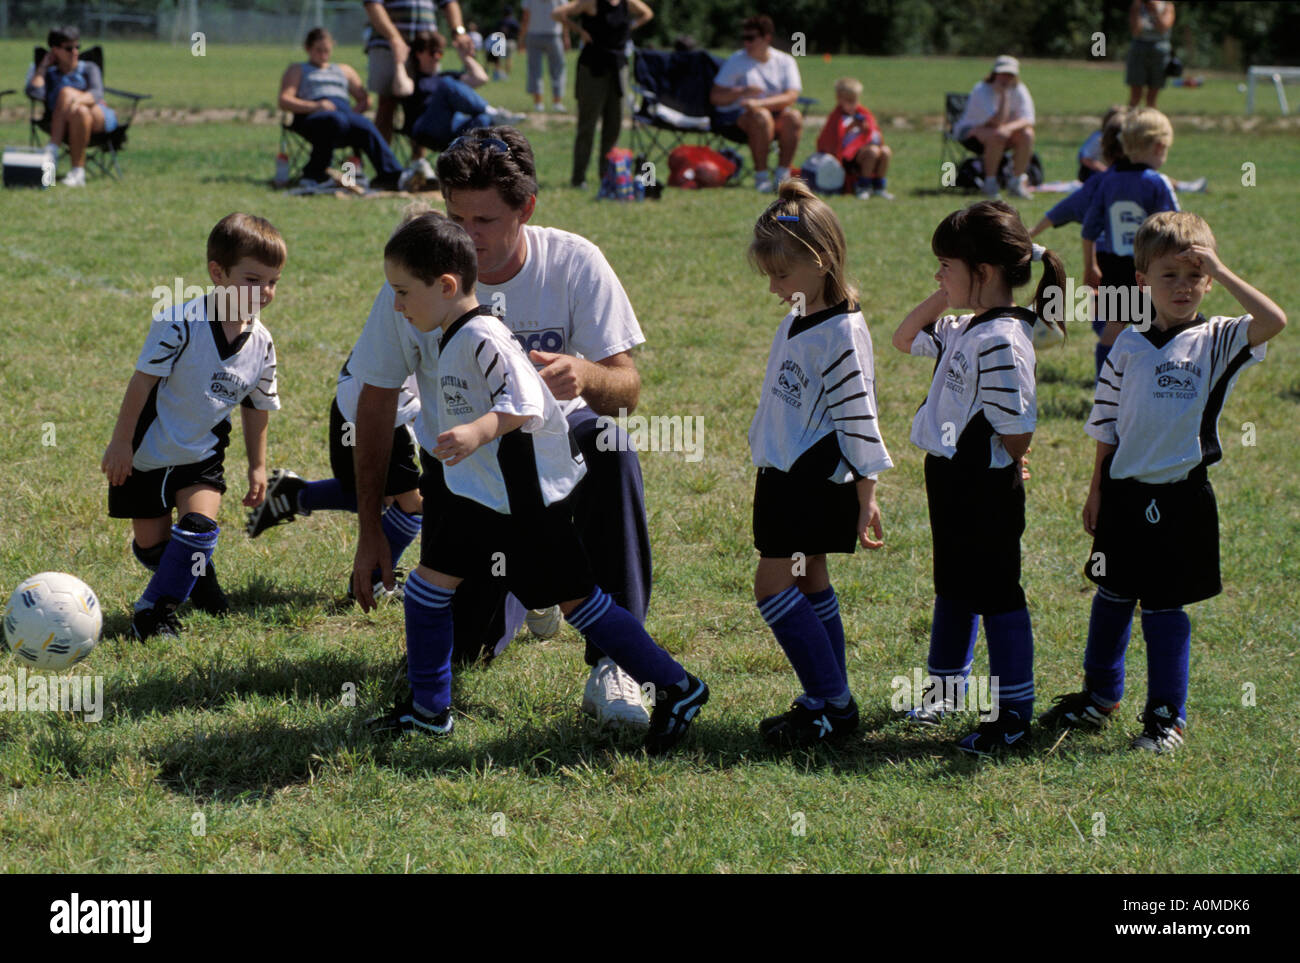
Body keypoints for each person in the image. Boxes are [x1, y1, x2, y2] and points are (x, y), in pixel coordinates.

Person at [361, 212, 709, 752]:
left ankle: (678, 686)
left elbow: (524, 402)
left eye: (404, 293)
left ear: (447, 286)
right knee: (425, 592)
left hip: (520, 504)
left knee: (582, 604)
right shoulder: (447, 333)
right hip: (470, 494)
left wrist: (477, 431)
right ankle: (429, 711)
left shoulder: (485, 335)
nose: (398, 306)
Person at [349, 127, 657, 728]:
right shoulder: (423, 274)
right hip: (469, 479)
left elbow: (628, 392)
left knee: (611, 442)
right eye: (455, 215)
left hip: (555, 464)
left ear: (527, 209)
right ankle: (534, 585)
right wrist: (371, 532)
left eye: (485, 219)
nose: (466, 235)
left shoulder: (572, 260)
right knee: (466, 650)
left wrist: (585, 373)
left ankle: (615, 664)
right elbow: (376, 399)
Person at [1041, 211, 1286, 753]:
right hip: (1123, 494)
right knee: (1110, 594)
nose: (1183, 286)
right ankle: (1100, 696)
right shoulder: (1127, 345)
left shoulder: (1218, 337)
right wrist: (1096, 489)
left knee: (1163, 606)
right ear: (1142, 279)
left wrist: (1221, 269)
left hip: (1181, 498)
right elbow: (1106, 424)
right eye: (1168, 275)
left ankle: (1165, 718)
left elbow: (1274, 320)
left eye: (1194, 274)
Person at [891, 201, 1066, 756]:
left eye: (946, 265)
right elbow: (904, 336)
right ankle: (946, 691)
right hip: (949, 478)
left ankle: (1014, 714)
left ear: (983, 272)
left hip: (984, 487)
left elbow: (1018, 433)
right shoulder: (970, 326)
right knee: (955, 583)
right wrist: (951, 291)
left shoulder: (1003, 340)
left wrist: (1012, 458)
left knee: (997, 595)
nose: (937, 276)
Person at [747, 180, 892, 746]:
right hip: (786, 474)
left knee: (772, 587)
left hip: (811, 481)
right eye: (769, 277)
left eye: (782, 275)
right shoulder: (802, 314)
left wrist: (867, 494)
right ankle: (825, 700)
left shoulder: (841, 331)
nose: (775, 288)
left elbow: (860, 416)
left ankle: (834, 705)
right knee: (810, 580)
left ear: (822, 260)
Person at [101, 214, 285, 639]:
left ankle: (153, 612)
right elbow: (142, 382)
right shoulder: (179, 322)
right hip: (148, 454)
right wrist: (120, 444)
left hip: (202, 455)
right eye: (253, 280)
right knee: (152, 546)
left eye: (273, 282)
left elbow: (257, 406)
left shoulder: (263, 343)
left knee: (199, 529)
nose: (265, 292)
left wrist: (258, 467)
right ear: (217, 273)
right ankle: (199, 578)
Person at [244, 341, 424, 603]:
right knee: (413, 503)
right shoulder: (441, 314)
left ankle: (295, 495)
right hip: (386, 408)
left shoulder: (398, 310)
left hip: (350, 401)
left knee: (378, 495)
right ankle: (375, 580)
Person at [1082, 107, 1178, 373]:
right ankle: (1152, 378)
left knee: (1113, 326)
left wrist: (1090, 265)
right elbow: (1173, 226)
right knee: (1158, 323)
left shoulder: (1108, 180)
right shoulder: (1156, 182)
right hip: (1147, 268)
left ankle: (1104, 384)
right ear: (1159, 147)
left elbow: (1089, 227)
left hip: (1112, 264)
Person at [278, 27, 406, 191]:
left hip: (344, 115)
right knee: (335, 121)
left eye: (327, 50)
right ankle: (315, 173)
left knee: (364, 124)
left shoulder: (344, 70)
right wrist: (316, 106)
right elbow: (284, 100)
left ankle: (391, 175)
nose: (323, 55)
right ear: (307, 48)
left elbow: (365, 99)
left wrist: (355, 112)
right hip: (311, 117)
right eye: (318, 50)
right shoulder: (298, 69)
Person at [554, 0, 653, 189]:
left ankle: (606, 175)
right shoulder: (590, 2)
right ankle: (579, 178)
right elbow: (558, 14)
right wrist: (580, 31)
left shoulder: (627, 3)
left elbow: (647, 13)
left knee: (614, 124)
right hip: (593, 68)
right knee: (587, 125)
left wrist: (631, 26)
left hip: (618, 67)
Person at [711, 14, 803, 194]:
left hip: (775, 116)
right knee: (761, 117)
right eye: (744, 38)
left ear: (767, 38)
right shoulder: (736, 60)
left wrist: (760, 103)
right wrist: (742, 92)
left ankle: (782, 176)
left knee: (794, 117)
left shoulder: (785, 61)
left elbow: (791, 96)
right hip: (740, 120)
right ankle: (761, 176)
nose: (746, 43)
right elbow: (715, 97)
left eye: (751, 38)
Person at [363, 0, 473, 143]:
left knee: (425, 102)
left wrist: (458, 31)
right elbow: (373, 5)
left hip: (426, 48)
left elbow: (449, 3)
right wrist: (394, 37)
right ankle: (383, 161)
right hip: (388, 46)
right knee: (386, 103)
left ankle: (418, 161)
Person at [404, 30, 523, 158]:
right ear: (418, 54)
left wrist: (466, 58)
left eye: (440, 53)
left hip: (452, 129)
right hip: (426, 128)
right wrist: (400, 62)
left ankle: (490, 115)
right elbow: (400, 89)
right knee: (446, 84)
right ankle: (493, 113)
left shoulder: (445, 76)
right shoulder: (412, 79)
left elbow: (481, 78)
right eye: (433, 52)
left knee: (484, 119)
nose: (437, 57)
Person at [24, 25, 115, 188]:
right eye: (69, 48)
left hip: (98, 117)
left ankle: (53, 148)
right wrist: (43, 67)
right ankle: (78, 173)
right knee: (80, 113)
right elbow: (34, 93)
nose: (75, 52)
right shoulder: (48, 73)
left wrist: (74, 100)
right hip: (73, 120)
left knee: (67, 93)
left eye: (77, 47)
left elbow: (96, 93)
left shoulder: (88, 68)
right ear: (55, 50)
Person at [952, 55, 1036, 200]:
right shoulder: (981, 90)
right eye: (1003, 73)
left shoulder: (1020, 89)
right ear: (995, 73)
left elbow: (1028, 119)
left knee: (1027, 134)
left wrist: (1009, 128)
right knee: (997, 134)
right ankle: (990, 183)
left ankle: (1016, 183)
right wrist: (1004, 95)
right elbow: (996, 121)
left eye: (1010, 74)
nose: (1006, 78)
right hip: (971, 134)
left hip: (1002, 134)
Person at [814, 77, 892, 200]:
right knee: (872, 151)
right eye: (849, 101)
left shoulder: (864, 114)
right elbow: (831, 141)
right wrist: (849, 129)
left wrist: (867, 130)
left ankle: (879, 186)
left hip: (867, 149)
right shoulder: (837, 118)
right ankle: (863, 186)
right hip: (847, 158)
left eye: (855, 100)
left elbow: (876, 135)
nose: (853, 104)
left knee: (885, 151)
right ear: (839, 99)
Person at [1126, 1, 1176, 108]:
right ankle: (1130, 122)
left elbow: (1163, 28)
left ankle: (1151, 122)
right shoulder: (1138, 5)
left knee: (1152, 98)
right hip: (1139, 49)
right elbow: (1135, 31)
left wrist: (1155, 12)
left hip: (1160, 51)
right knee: (1135, 96)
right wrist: (1139, 10)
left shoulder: (1167, 5)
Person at [521, 0, 568, 113]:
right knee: (558, 70)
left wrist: (521, 37)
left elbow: (526, 17)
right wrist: (566, 36)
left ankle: (538, 103)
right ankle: (557, 102)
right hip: (553, 36)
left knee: (535, 70)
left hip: (534, 35)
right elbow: (564, 16)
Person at [1076, 105, 1126, 182]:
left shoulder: (1122, 138)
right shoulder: (1098, 138)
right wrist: (1106, 171)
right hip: (1091, 174)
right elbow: (1085, 159)